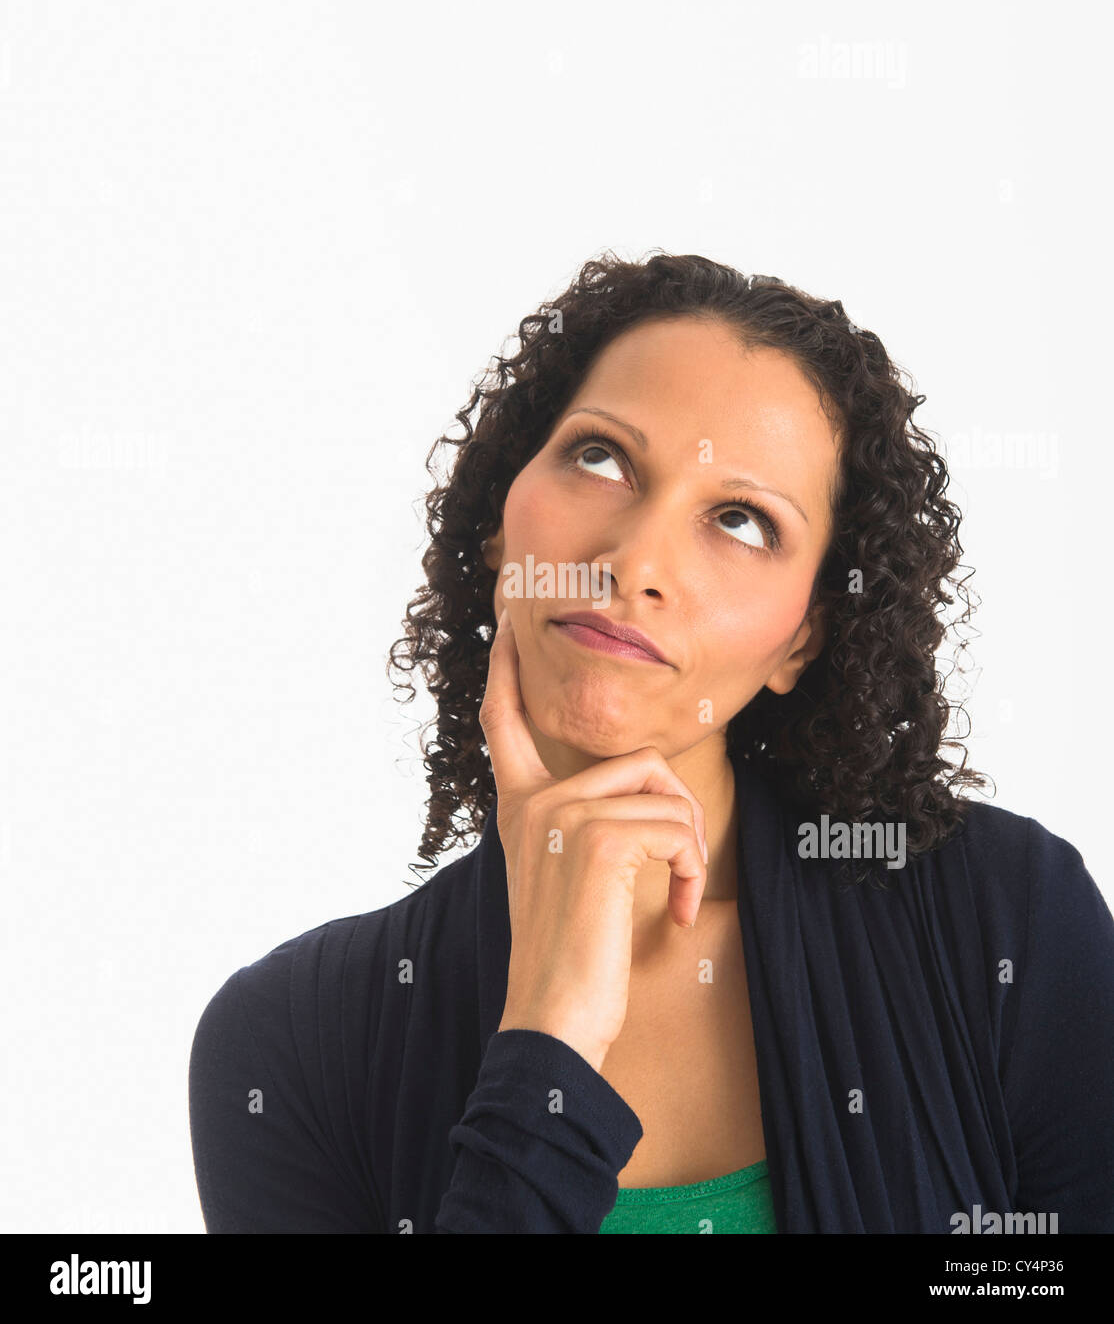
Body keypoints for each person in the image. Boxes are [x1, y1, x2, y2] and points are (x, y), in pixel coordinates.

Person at [188, 250, 1114, 1233]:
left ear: (803, 637)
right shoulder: (291, 1042)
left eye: (742, 520)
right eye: (601, 459)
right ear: (504, 516)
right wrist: (546, 1041)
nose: (634, 562)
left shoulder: (1006, 920)